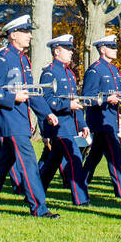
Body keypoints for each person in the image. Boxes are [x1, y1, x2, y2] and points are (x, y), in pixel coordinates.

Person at [0, 15, 56, 217]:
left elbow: (30, 91)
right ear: (13, 35)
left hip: (19, 121)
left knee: (2, 163)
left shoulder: (23, 59)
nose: (29, 36)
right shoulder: (3, 59)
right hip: (9, 121)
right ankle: (39, 207)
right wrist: (13, 96)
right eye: (26, 32)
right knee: (28, 164)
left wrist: (46, 113)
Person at [35, 34, 91, 206]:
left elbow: (75, 101)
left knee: (52, 163)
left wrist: (81, 123)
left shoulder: (69, 73)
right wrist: (68, 105)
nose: (71, 53)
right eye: (67, 50)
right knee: (74, 158)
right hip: (58, 125)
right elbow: (47, 99)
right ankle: (81, 199)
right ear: (56, 51)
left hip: (68, 124)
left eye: (71, 50)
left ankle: (35, 193)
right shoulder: (50, 72)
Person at [80, 35, 121, 197]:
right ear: (102, 50)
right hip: (100, 121)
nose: (115, 50)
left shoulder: (114, 69)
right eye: (112, 47)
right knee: (115, 156)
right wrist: (106, 99)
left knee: (94, 157)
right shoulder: (94, 70)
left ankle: (80, 183)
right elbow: (87, 96)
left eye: (115, 47)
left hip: (111, 120)